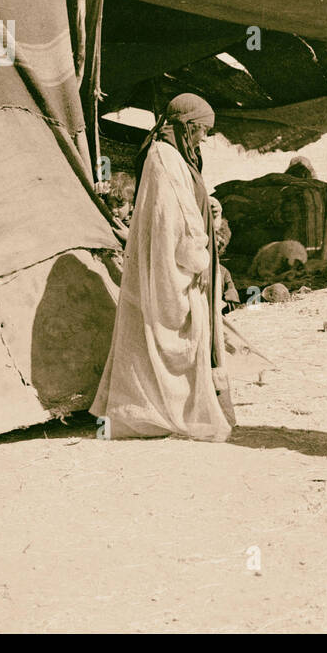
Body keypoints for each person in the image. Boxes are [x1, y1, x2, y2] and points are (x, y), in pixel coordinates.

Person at [90, 93, 235, 439]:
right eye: (200, 131)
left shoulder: (174, 156)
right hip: (173, 269)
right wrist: (198, 255)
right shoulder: (164, 159)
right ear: (185, 126)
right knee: (166, 336)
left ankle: (165, 410)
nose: (203, 139)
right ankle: (159, 414)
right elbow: (175, 221)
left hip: (179, 265)